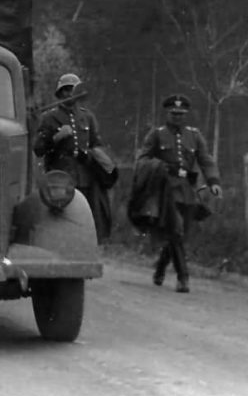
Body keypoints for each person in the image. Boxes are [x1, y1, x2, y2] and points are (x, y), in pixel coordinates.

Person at [134, 94, 222, 293]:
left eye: (181, 114)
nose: (177, 117)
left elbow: (206, 160)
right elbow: (142, 160)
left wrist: (214, 182)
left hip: (188, 192)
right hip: (165, 192)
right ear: (167, 113)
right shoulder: (156, 135)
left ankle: (159, 268)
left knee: (180, 235)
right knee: (176, 231)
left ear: (186, 115)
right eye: (174, 114)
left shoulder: (194, 135)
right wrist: (164, 167)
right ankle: (183, 278)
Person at [34, 73, 113, 241]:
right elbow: (38, 149)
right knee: (60, 220)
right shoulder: (49, 117)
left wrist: (90, 156)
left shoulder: (87, 117)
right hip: (59, 178)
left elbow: (97, 144)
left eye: (73, 90)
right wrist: (56, 138)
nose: (70, 94)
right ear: (60, 93)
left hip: (85, 177)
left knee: (84, 219)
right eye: (66, 90)